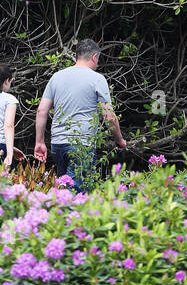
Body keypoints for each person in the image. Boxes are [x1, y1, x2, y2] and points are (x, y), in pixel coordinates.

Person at [34, 39, 126, 191]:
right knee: (77, 196)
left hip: (57, 144)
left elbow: (41, 111)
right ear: (94, 57)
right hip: (81, 145)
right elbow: (109, 116)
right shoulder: (97, 79)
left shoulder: (56, 77)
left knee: (63, 190)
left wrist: (40, 142)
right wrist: (119, 140)